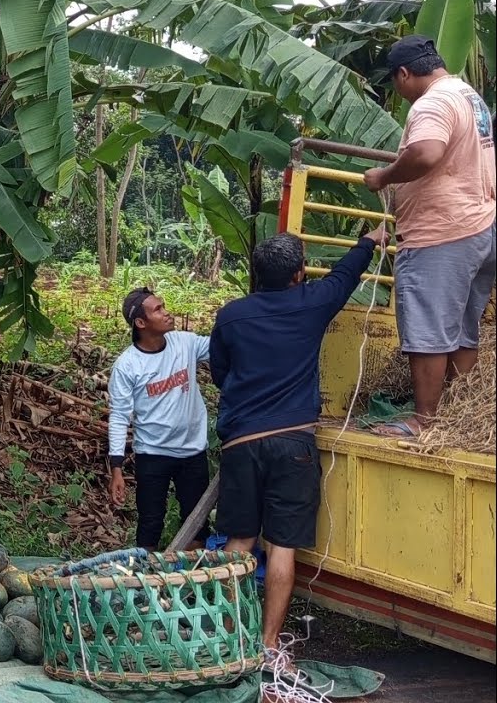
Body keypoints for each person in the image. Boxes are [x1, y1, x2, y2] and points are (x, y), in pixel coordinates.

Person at [209, 224, 390, 675]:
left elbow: (219, 374)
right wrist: (371, 238)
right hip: (293, 442)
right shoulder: (312, 303)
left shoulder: (231, 315)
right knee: (283, 547)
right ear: (298, 275)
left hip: (241, 443)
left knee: (239, 541)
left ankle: (227, 637)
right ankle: (269, 648)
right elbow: (348, 273)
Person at [363, 34, 497, 439]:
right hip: (479, 224)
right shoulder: (469, 97)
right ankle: (458, 415)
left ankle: (424, 420)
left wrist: (383, 176)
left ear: (404, 74)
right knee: (461, 327)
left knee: (427, 330)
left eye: (396, 83)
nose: (400, 93)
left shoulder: (433, 102)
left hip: (442, 232)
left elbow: (425, 153)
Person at [107, 287, 211, 551]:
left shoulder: (185, 343)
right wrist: (116, 468)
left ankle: (191, 582)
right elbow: (119, 417)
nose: (167, 313)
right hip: (153, 453)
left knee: (197, 520)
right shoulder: (127, 365)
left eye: (164, 306)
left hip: (192, 451)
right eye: (158, 310)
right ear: (140, 323)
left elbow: (222, 346)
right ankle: (146, 580)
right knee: (150, 521)